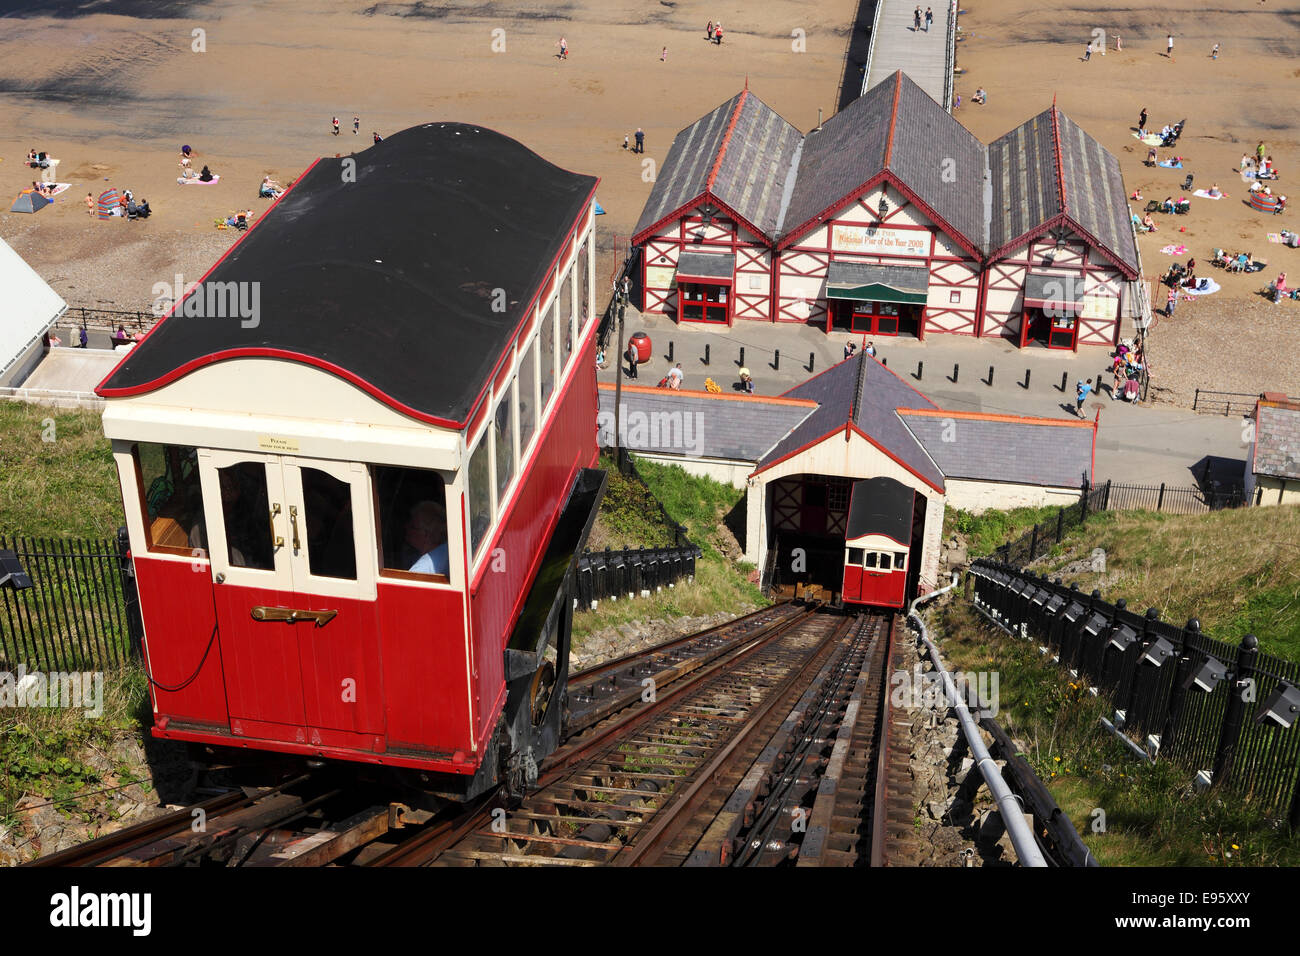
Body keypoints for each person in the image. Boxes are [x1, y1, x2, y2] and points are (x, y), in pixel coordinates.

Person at [403, 500, 449, 575]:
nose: (406, 527)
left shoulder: (421, 570)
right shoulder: (447, 550)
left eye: (412, 526)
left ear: (427, 535)